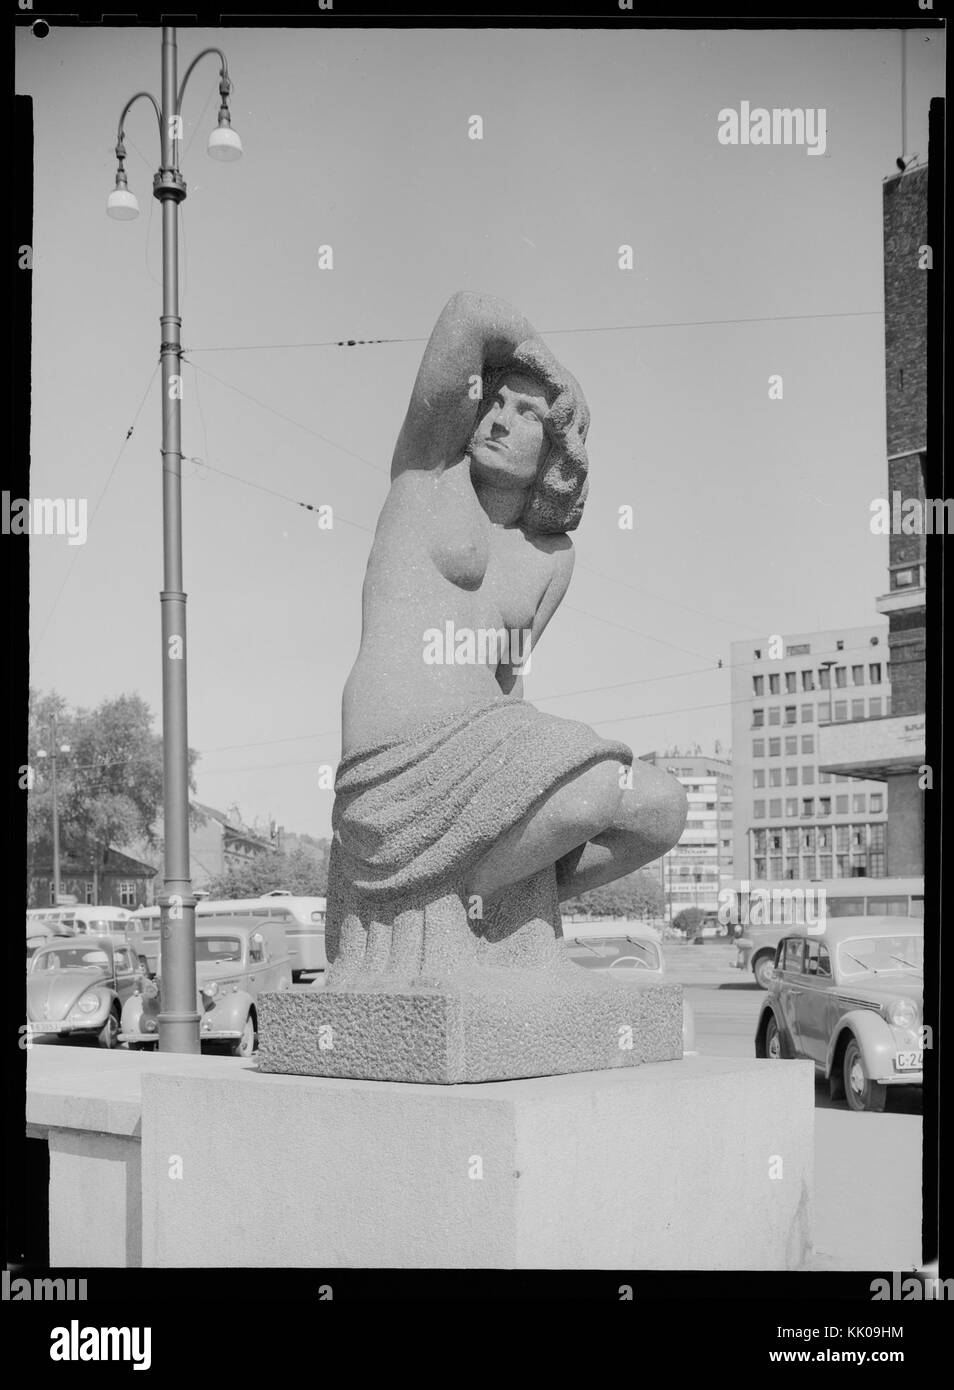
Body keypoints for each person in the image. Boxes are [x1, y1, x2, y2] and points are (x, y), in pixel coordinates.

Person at [328, 291, 687, 976]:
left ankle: (480, 896)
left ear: (555, 450)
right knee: (587, 788)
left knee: (659, 807)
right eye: (495, 402)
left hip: (490, 742)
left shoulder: (551, 560)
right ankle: (465, 895)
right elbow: (468, 313)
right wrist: (553, 376)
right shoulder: (425, 476)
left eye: (527, 413)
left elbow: (508, 680)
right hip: (394, 748)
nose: (498, 417)